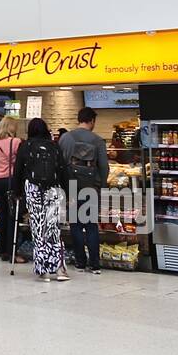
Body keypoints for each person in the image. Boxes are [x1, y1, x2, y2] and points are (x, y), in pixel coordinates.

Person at [13, 118, 68, 282]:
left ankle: (43, 270)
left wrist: (16, 192)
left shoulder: (25, 146)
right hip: (54, 189)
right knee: (53, 228)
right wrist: (68, 192)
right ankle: (59, 270)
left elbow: (17, 171)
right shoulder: (54, 146)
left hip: (33, 189)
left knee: (38, 229)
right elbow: (63, 170)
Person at [59, 106, 110, 274]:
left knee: (75, 225)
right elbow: (104, 167)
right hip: (91, 187)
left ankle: (80, 262)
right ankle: (95, 264)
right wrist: (102, 186)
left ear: (78, 119)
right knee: (91, 226)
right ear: (92, 121)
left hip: (71, 186)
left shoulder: (65, 138)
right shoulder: (98, 140)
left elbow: (60, 164)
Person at [0, 115, 22, 261]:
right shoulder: (16, 142)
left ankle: (2, 251)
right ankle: (12, 250)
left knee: (1, 214)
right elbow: (20, 164)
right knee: (13, 215)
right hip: (11, 180)